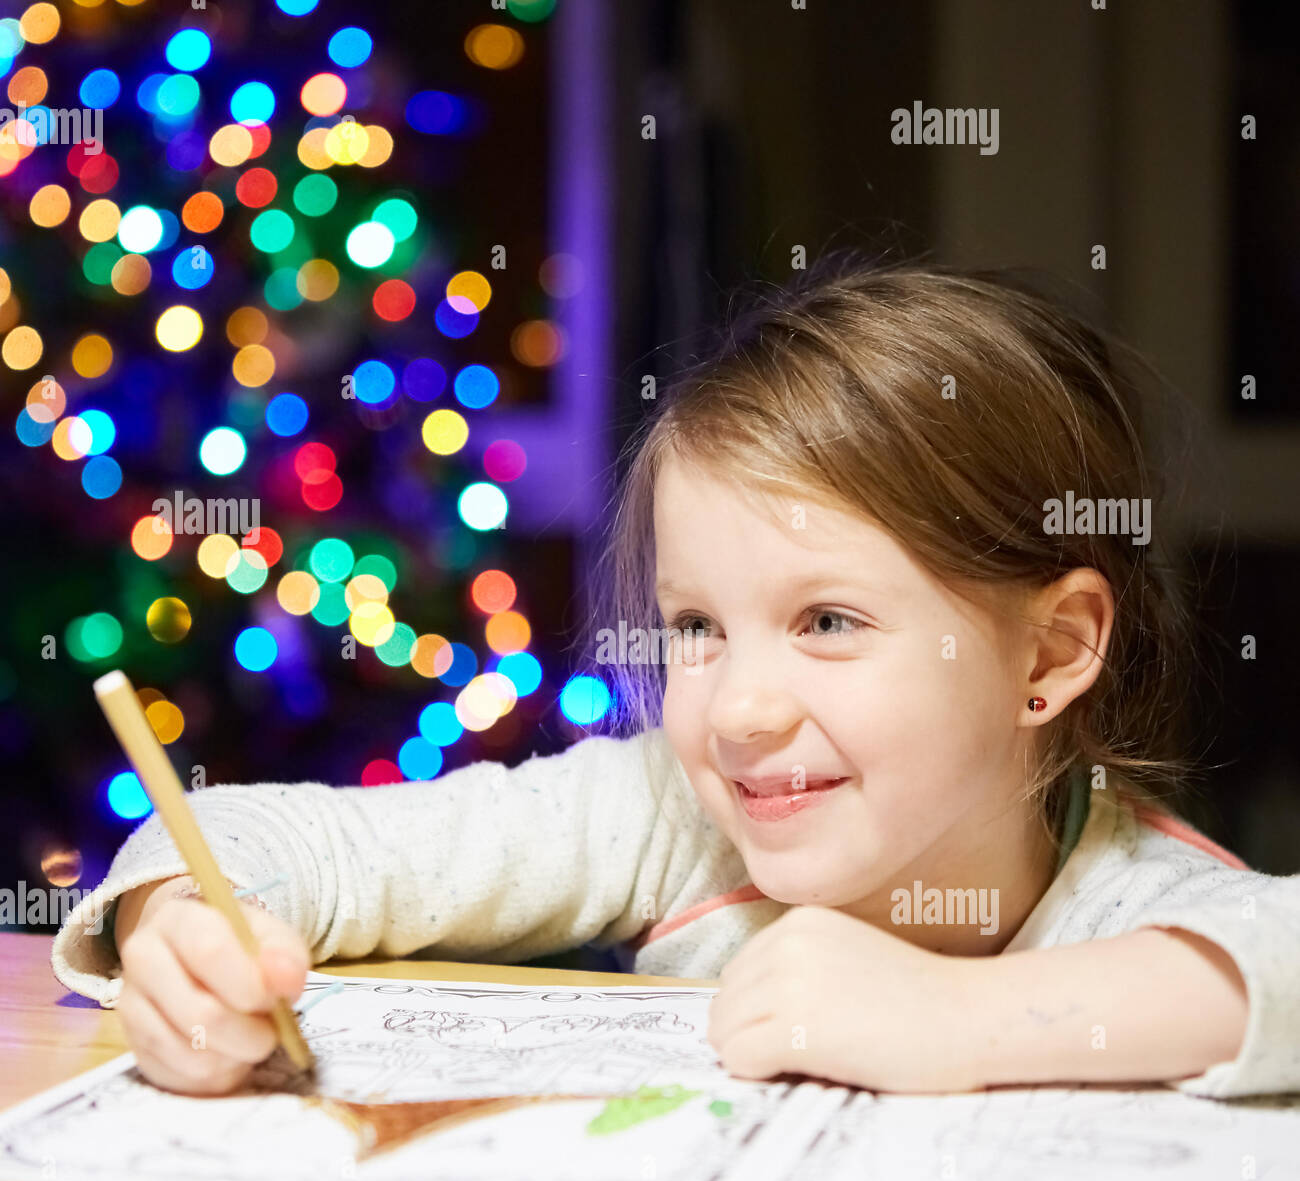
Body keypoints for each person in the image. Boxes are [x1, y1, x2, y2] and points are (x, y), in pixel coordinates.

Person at [53, 254, 1300, 1100]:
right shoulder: (668, 815)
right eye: (696, 626)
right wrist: (184, 934)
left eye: (826, 619)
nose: (740, 709)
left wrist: (951, 1022)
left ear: (1050, 653)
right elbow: (249, 831)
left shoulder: (1127, 898)